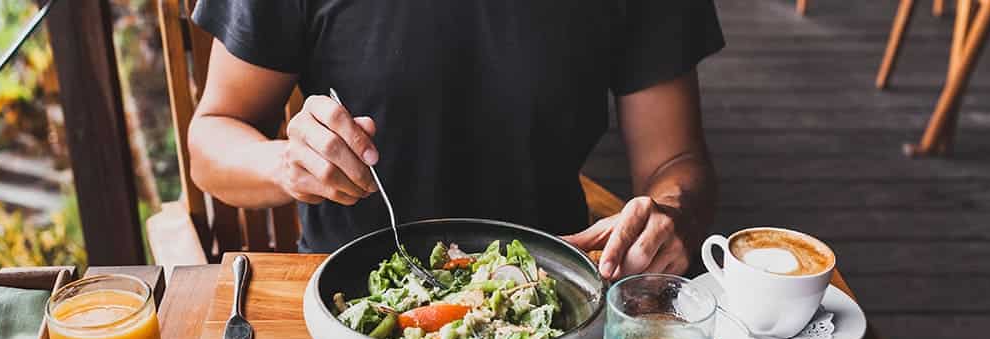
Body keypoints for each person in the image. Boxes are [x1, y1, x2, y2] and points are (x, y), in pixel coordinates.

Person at [188, 1, 723, 279]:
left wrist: (669, 216)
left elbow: (675, 160)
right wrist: (286, 163)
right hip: (347, 300)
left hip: (556, 297)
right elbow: (210, 138)